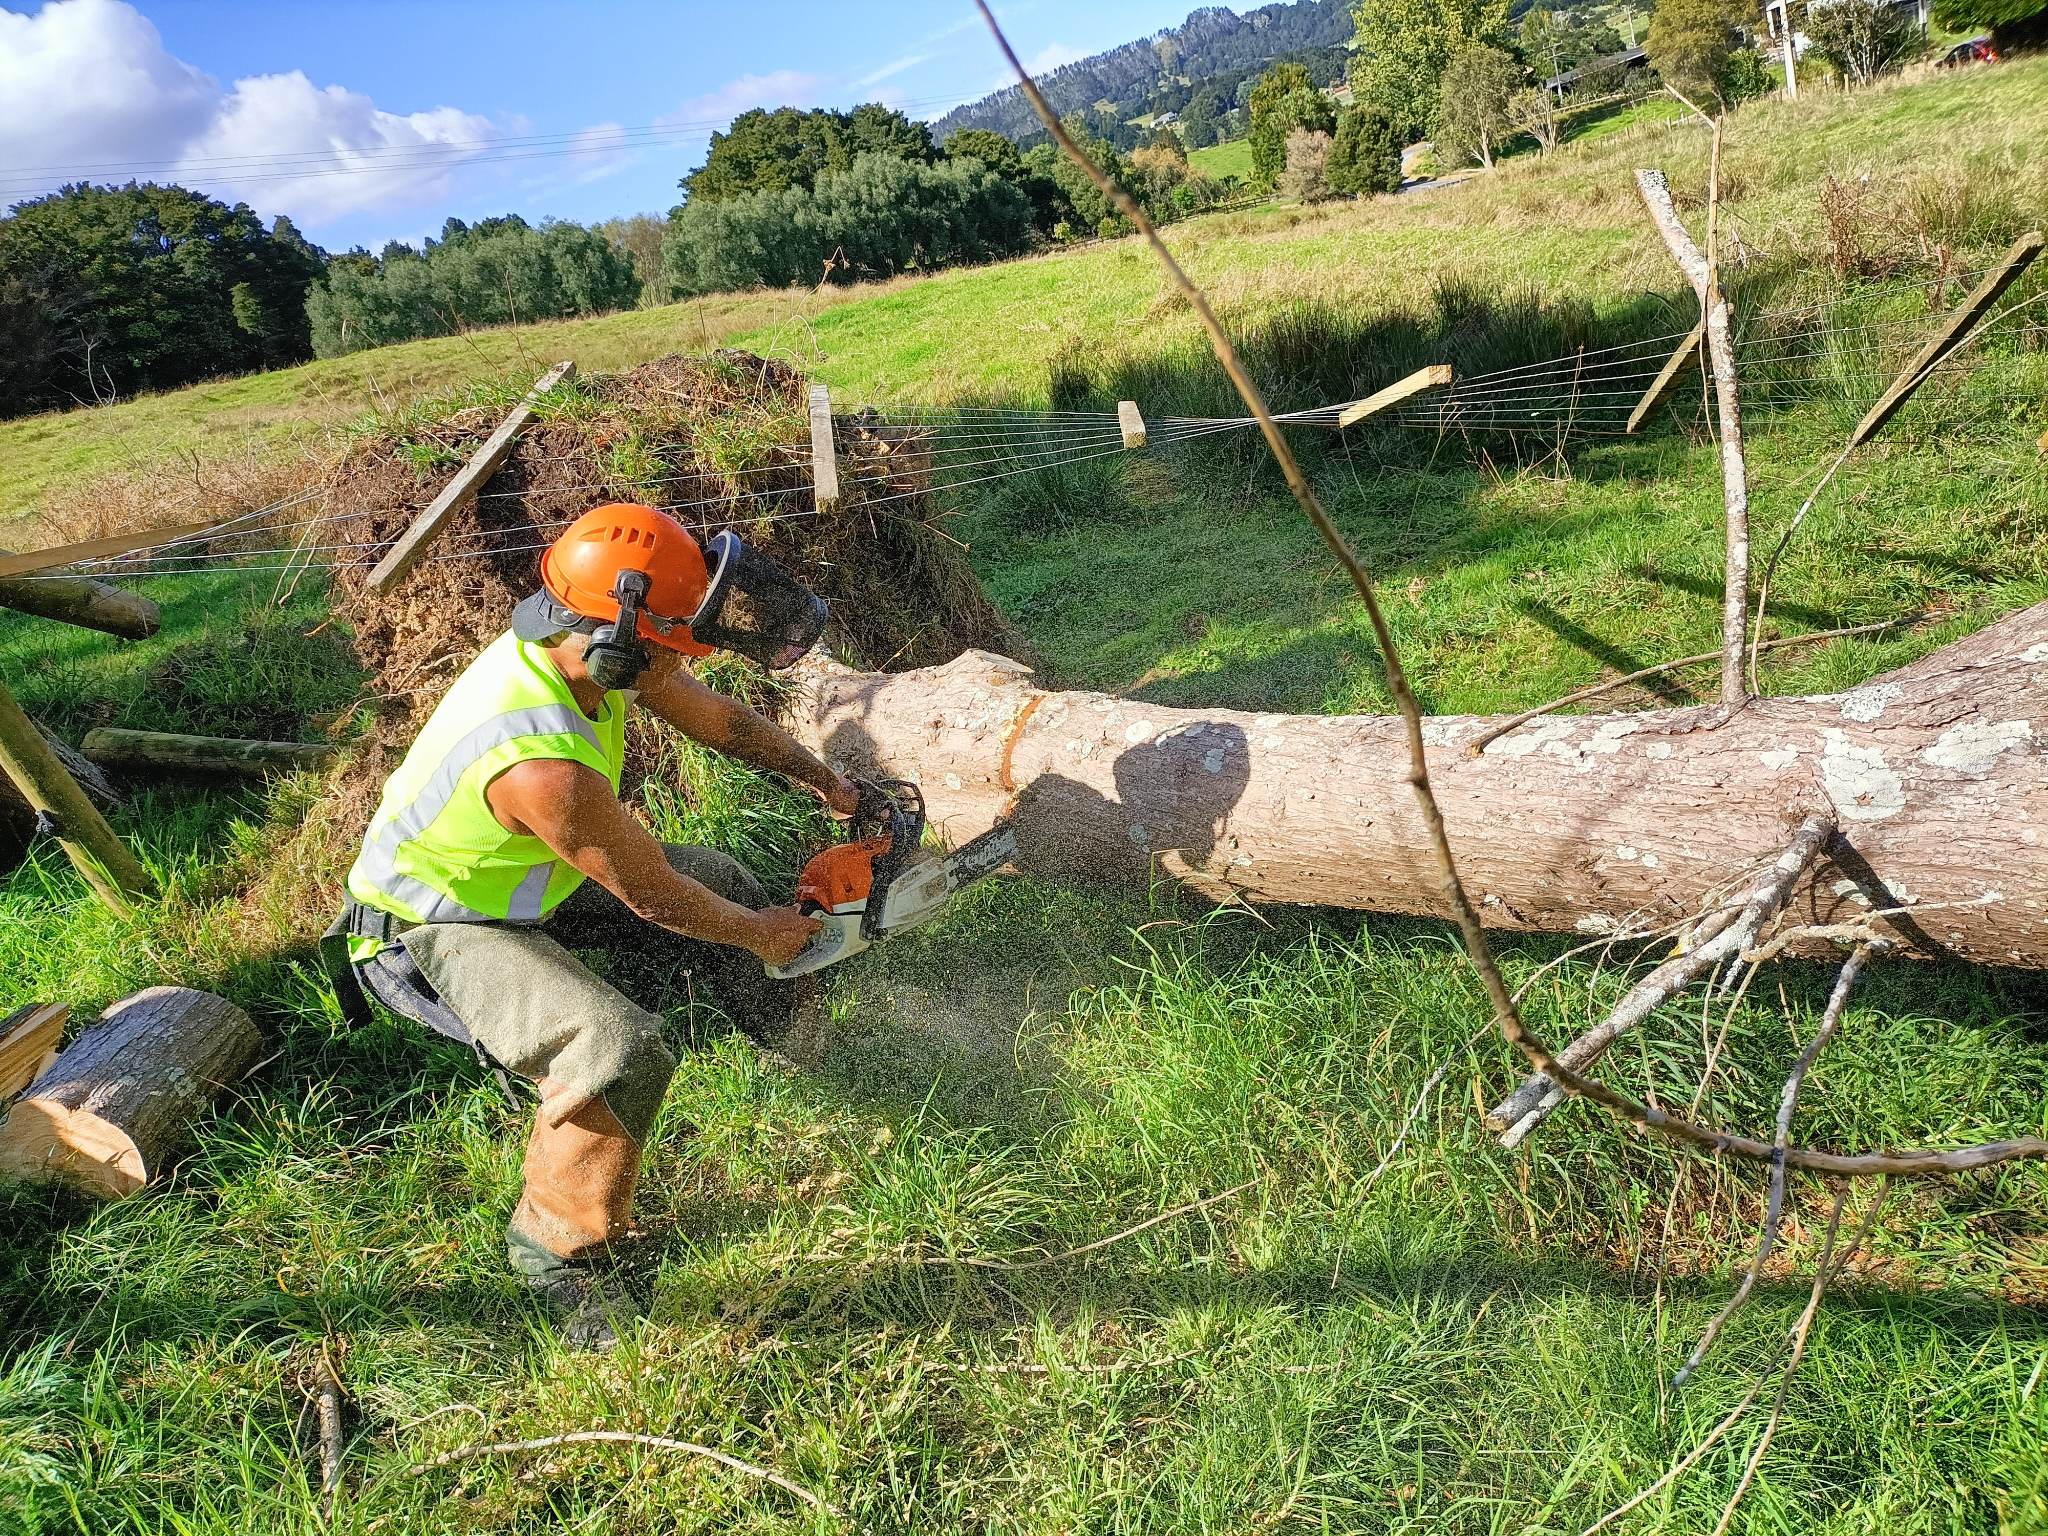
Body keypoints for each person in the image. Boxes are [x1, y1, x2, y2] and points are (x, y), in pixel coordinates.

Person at [322, 502, 858, 1346]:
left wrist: (824, 779)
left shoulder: (590, 650)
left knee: (723, 878)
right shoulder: (536, 758)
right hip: (429, 927)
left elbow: (717, 718)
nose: (679, 662)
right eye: (673, 645)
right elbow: (653, 895)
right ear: (622, 636)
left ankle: (810, 1047)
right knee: (615, 1047)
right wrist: (760, 933)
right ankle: (556, 1249)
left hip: (522, 879)